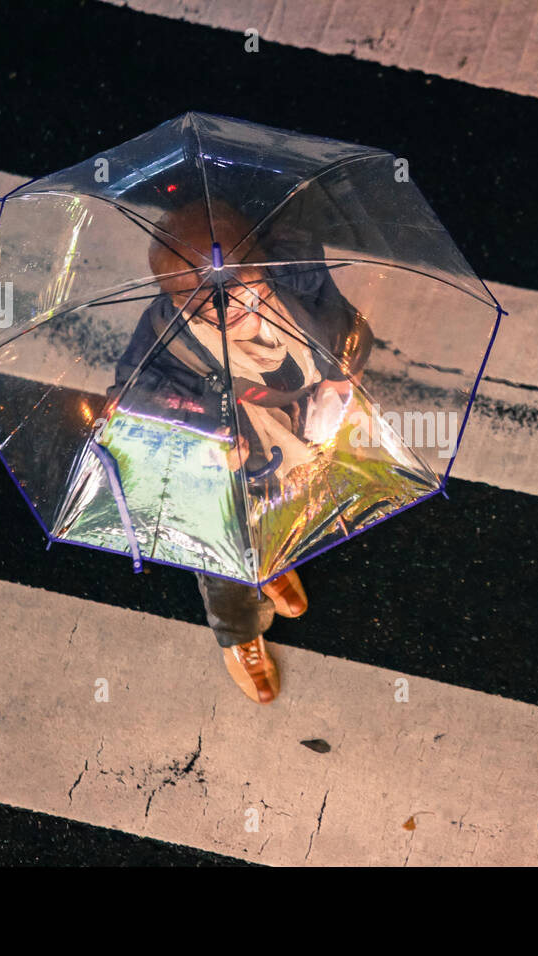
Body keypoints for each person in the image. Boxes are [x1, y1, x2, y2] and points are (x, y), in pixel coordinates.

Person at [106, 197, 373, 704]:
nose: (232, 306)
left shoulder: (297, 281)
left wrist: (340, 379)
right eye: (205, 300)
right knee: (224, 558)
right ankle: (239, 634)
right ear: (179, 303)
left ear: (263, 264)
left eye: (241, 281)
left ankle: (270, 563)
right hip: (222, 474)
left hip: (291, 443)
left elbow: (348, 328)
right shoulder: (168, 340)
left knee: (282, 512)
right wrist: (205, 437)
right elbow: (140, 403)